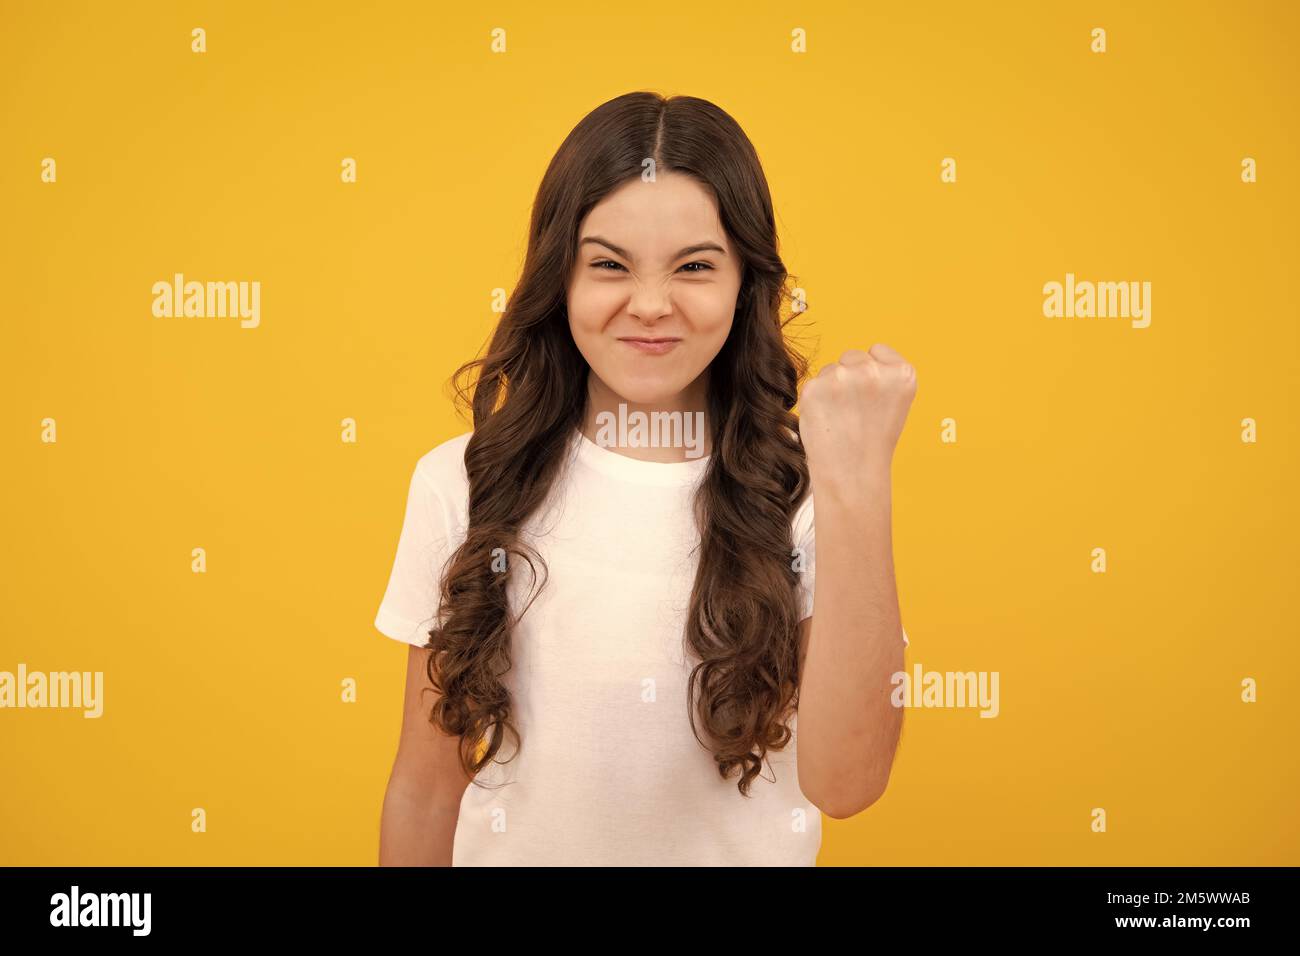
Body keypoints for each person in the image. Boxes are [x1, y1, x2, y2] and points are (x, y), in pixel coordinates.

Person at [374, 91, 916, 866]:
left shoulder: (808, 495)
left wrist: (857, 488)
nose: (652, 305)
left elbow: (848, 781)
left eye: (695, 266)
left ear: (745, 281)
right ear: (558, 278)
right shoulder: (459, 485)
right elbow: (426, 789)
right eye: (609, 265)